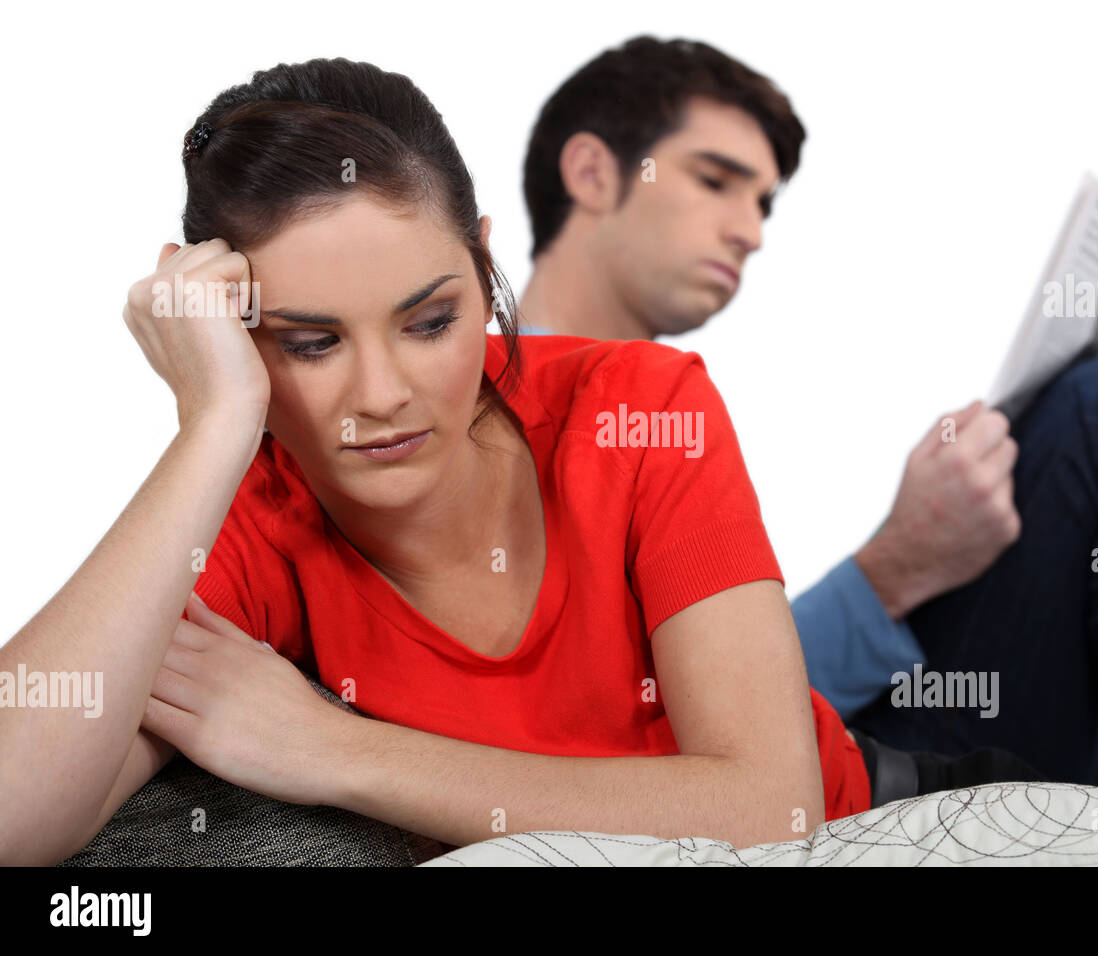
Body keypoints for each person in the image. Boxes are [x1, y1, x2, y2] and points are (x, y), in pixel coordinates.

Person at [0, 56, 902, 867]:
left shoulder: (636, 408)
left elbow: (772, 812)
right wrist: (212, 424)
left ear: (481, 262)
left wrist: (331, 750)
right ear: (227, 332)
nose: (384, 393)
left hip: (884, 822)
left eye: (430, 321)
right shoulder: (252, 519)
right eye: (311, 344)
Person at [513, 35, 1098, 865]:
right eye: (716, 181)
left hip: (845, 745)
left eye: (766, 204)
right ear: (594, 173)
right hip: (821, 781)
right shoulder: (489, 420)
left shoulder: (658, 405)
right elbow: (647, 716)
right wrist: (893, 569)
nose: (750, 231)